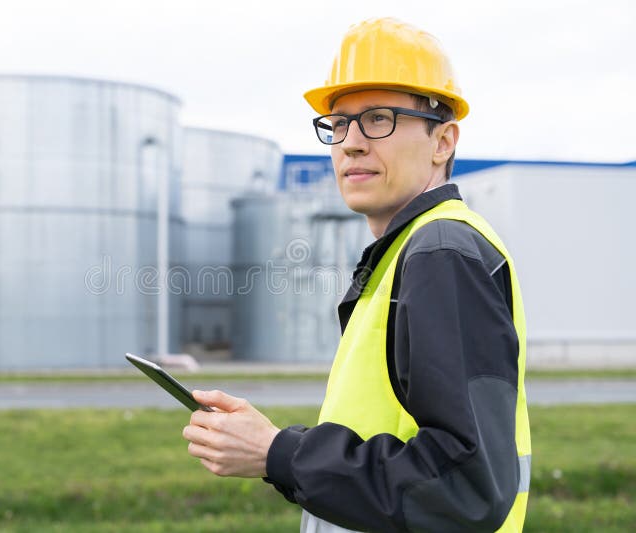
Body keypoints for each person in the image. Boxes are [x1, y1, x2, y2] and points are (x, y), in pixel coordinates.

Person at [182, 17, 531, 532]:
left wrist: (279, 453)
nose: (350, 143)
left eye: (379, 119)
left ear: (443, 141)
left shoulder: (441, 252)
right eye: (339, 124)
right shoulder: (405, 253)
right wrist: (275, 443)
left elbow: (465, 487)